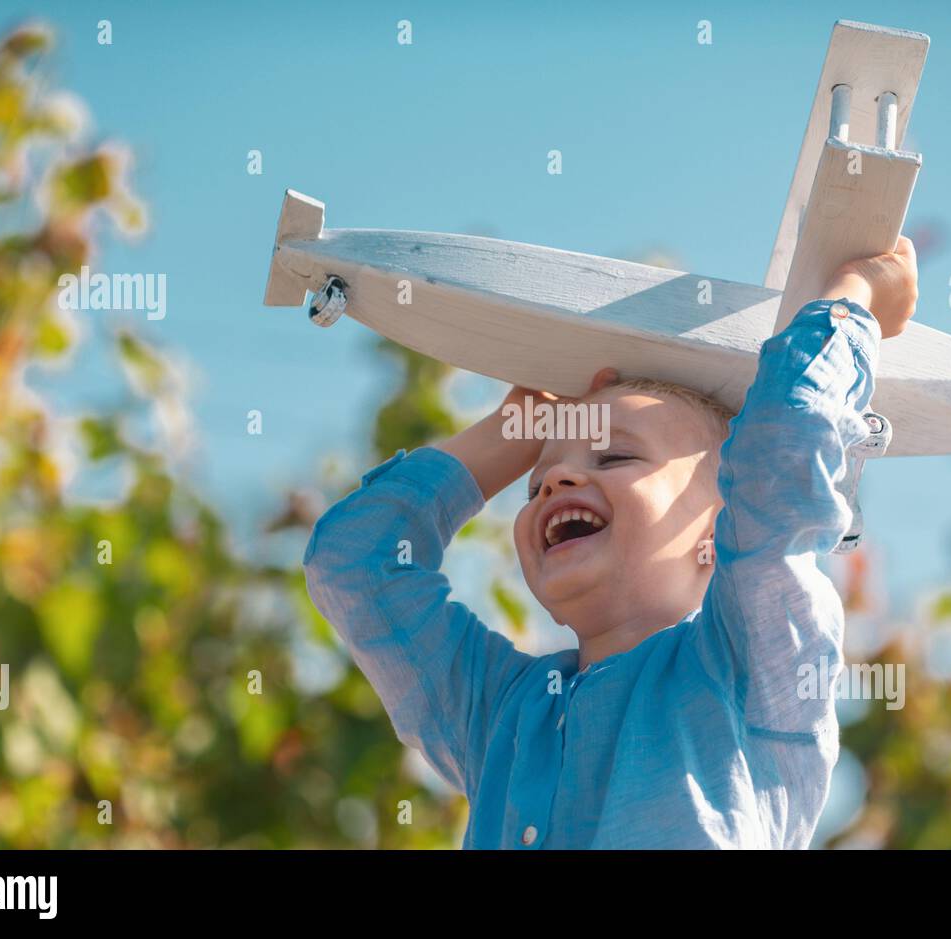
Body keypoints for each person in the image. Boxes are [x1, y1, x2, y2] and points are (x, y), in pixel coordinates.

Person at [304, 239, 919, 848]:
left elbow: (777, 469)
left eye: (617, 455)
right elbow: (356, 563)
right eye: (537, 481)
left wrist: (852, 302)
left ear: (718, 529)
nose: (560, 481)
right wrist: (515, 431)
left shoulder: (749, 664)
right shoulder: (498, 715)